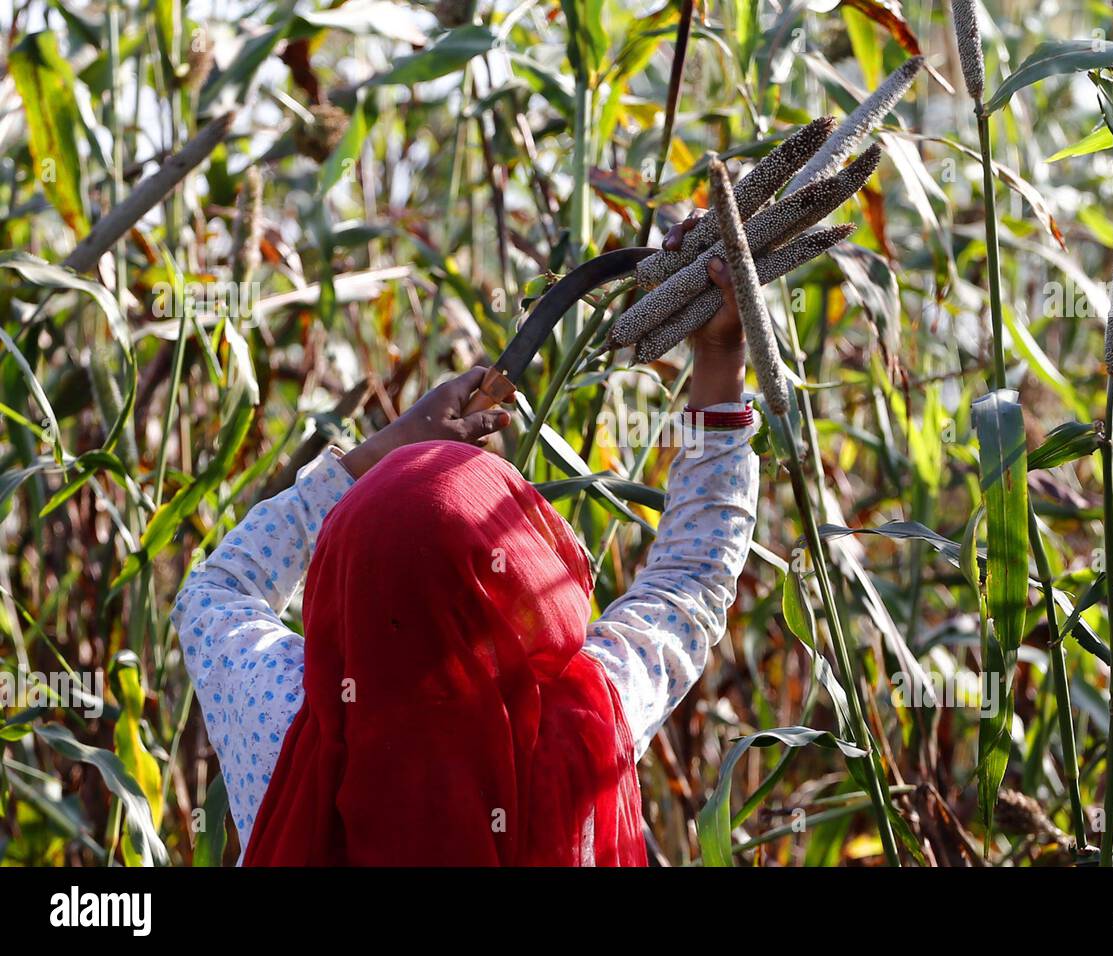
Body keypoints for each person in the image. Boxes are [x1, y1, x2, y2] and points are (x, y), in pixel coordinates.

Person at [171, 222, 761, 864]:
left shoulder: (284, 719)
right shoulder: (581, 719)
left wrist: (382, 452)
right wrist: (719, 358)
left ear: (345, 573)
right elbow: (691, 580)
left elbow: (215, 592)